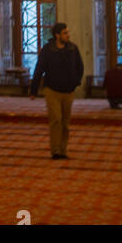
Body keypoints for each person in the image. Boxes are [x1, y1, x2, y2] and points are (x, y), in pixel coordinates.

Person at [30, 21, 84, 159]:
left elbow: (80, 67)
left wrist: (75, 82)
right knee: (56, 121)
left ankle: (63, 150)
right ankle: (55, 151)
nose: (68, 35)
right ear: (57, 35)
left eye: (68, 32)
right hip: (52, 91)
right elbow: (39, 68)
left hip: (68, 91)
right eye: (65, 33)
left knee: (65, 124)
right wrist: (33, 90)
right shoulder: (48, 50)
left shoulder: (72, 48)